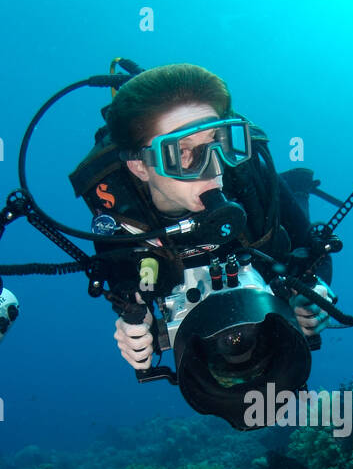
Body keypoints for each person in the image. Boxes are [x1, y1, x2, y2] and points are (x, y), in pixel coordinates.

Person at [67, 63, 335, 370]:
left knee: (282, 227)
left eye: (216, 141)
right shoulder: (118, 207)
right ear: (140, 166)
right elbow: (128, 284)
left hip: (255, 233)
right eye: (181, 152)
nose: (213, 167)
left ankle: (296, 185)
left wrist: (316, 292)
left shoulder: (246, 174)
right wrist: (135, 324)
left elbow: (312, 249)